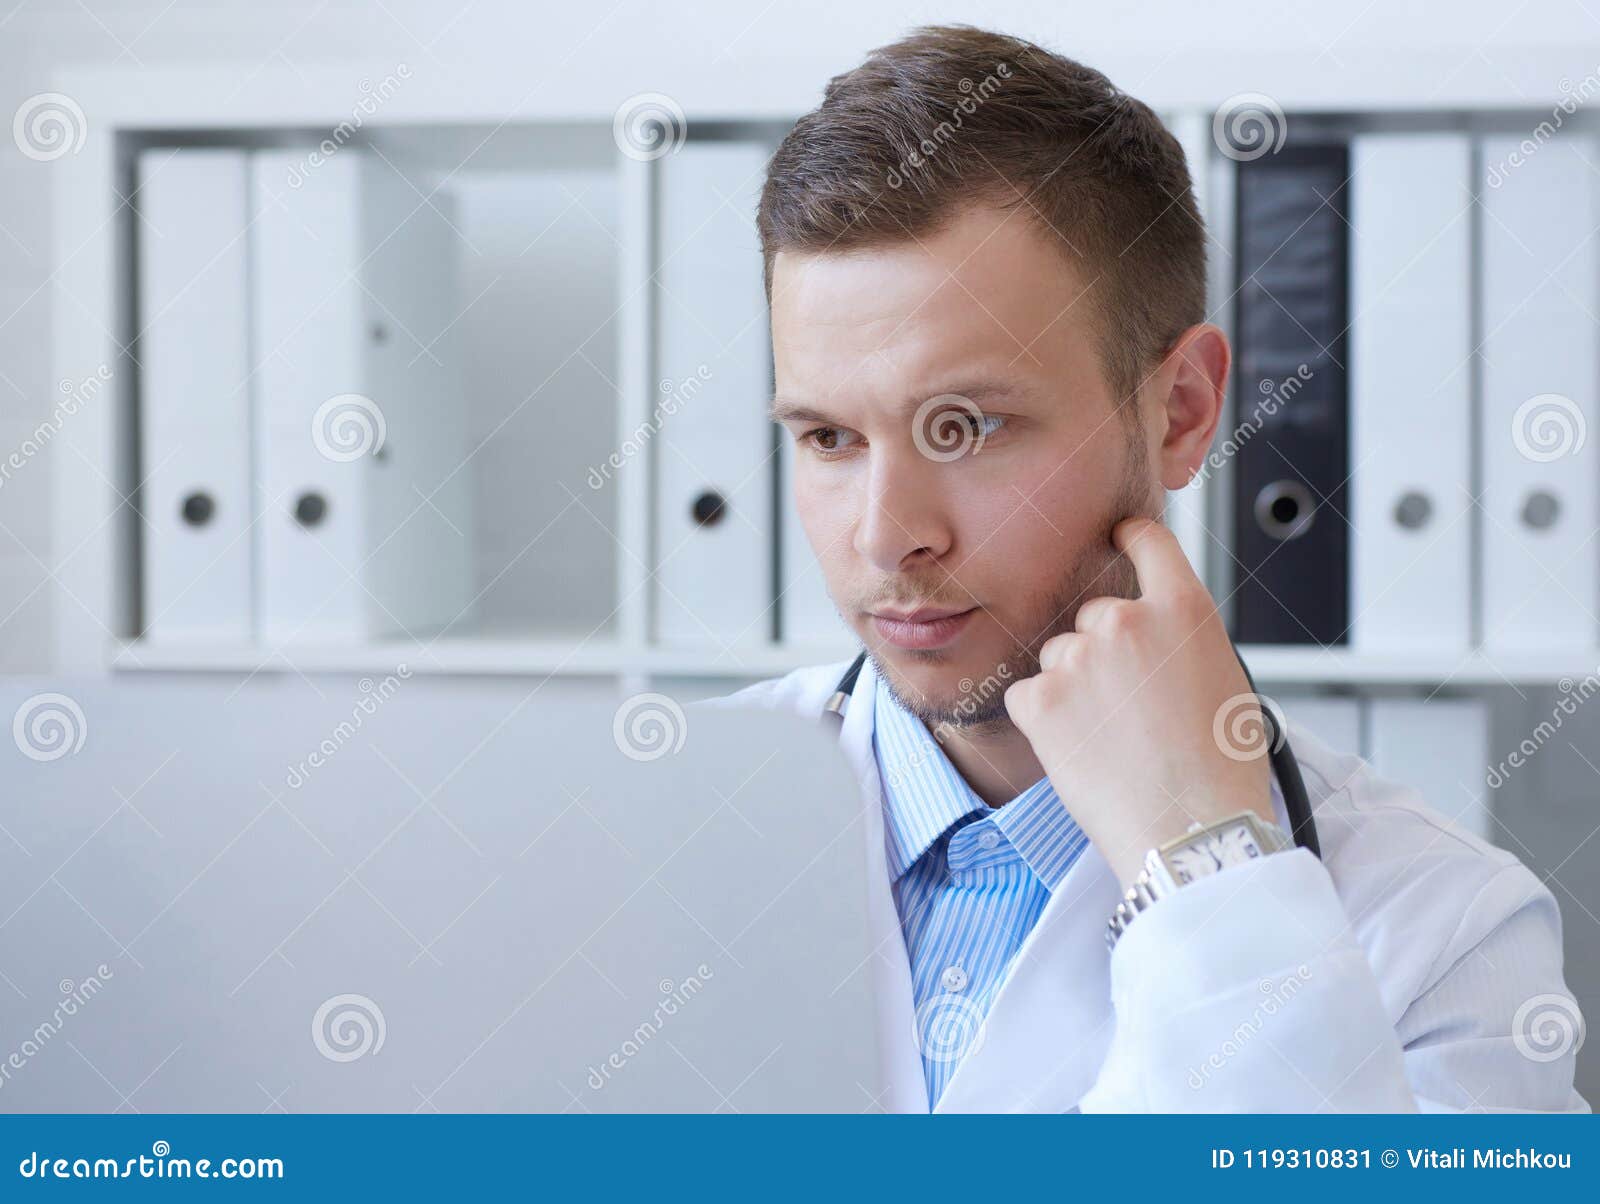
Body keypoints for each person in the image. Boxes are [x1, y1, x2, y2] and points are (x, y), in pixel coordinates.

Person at [712, 24, 1587, 1113]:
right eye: (828, 438)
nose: (887, 536)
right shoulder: (659, 846)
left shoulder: (1449, 937)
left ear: (1179, 410)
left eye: (965, 427)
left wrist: (1207, 875)